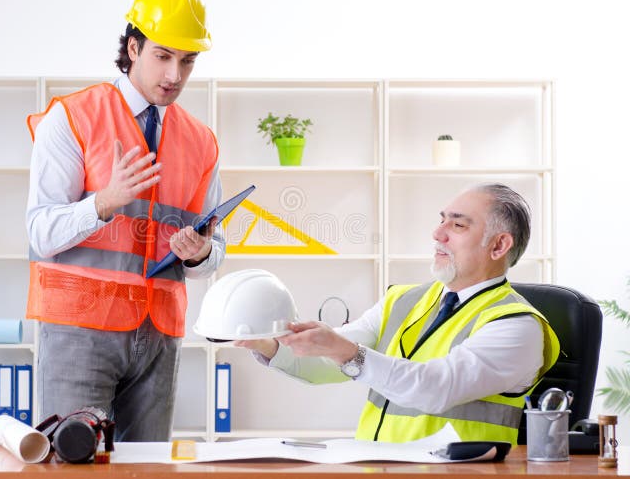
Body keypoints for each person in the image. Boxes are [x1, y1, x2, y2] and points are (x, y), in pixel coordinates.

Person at [24, 0, 224, 442]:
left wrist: (198, 254)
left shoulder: (202, 141)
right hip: (80, 331)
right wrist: (102, 203)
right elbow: (40, 232)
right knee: (73, 464)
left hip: (158, 339)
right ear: (133, 47)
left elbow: (212, 251)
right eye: (162, 56)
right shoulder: (73, 117)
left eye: (187, 61)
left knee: (148, 472)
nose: (174, 75)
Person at [237, 183, 560, 444]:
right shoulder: (403, 299)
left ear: (499, 245)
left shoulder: (517, 326)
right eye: (442, 219)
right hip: (376, 467)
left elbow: (436, 388)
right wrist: (269, 346)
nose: (438, 233)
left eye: (458, 224)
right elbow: (326, 361)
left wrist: (345, 351)